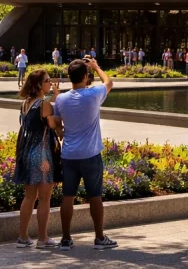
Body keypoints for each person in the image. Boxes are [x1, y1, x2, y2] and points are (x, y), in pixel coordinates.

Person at [51, 58, 117, 251]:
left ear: (69, 77)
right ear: (86, 77)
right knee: (95, 196)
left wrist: (61, 132)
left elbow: (55, 123)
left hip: (69, 155)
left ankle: (65, 239)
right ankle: (99, 238)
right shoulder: (93, 94)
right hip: (90, 154)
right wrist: (97, 66)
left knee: (67, 197)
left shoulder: (61, 99)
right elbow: (109, 83)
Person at [15, 69, 61, 249]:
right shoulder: (44, 104)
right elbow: (53, 124)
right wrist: (58, 98)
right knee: (44, 198)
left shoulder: (26, 103)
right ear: (38, 85)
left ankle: (23, 236)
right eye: (48, 80)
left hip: (26, 152)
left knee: (29, 196)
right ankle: (43, 238)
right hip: (42, 154)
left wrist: (54, 97)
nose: (50, 83)